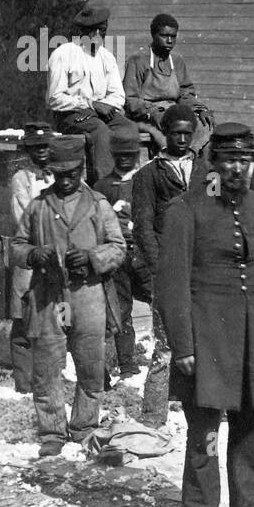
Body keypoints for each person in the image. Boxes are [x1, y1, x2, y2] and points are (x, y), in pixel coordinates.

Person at [156, 123, 254, 507]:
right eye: (229, 160)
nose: (237, 168)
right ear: (212, 163)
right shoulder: (186, 210)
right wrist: (183, 345)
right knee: (205, 432)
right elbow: (171, 285)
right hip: (208, 339)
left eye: (244, 160)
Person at [10, 137, 125, 456]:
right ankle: (51, 432)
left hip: (87, 298)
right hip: (51, 298)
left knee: (91, 366)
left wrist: (92, 257)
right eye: (58, 174)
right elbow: (16, 247)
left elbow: (119, 247)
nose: (65, 180)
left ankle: (85, 426)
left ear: (81, 169)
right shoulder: (38, 206)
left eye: (71, 174)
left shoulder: (98, 204)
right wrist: (34, 254)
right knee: (47, 365)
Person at [132, 103, 209, 427]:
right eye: (175, 133)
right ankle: (153, 415)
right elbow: (143, 226)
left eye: (186, 134)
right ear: (165, 134)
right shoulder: (149, 174)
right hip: (168, 270)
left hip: (203, 269)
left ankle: (207, 406)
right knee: (165, 345)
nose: (181, 139)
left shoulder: (207, 172)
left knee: (205, 338)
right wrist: (157, 267)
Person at [46, 5, 134, 184]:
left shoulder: (107, 58)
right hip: (71, 116)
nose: (98, 36)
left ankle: (126, 184)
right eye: (93, 32)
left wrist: (105, 106)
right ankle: (104, 187)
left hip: (101, 113)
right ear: (82, 32)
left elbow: (118, 95)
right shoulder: (63, 54)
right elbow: (55, 99)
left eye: (102, 32)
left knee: (128, 128)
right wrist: (91, 104)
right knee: (101, 132)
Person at [92, 124, 146, 380]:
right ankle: (126, 364)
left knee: (160, 301)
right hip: (118, 255)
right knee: (121, 307)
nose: (125, 160)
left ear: (137, 155)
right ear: (113, 156)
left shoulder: (145, 181)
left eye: (130, 155)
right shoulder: (102, 186)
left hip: (144, 252)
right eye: (120, 155)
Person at [7, 123, 55, 394]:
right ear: (29, 151)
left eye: (46, 147)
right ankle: (24, 384)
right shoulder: (21, 179)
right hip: (30, 254)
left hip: (55, 257)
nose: (42, 153)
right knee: (24, 318)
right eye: (37, 148)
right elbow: (24, 217)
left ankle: (50, 376)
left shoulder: (59, 175)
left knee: (56, 316)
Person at [122, 13, 213, 155]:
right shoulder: (138, 60)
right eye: (164, 36)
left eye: (173, 36)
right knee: (172, 134)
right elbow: (130, 99)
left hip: (174, 111)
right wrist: (153, 112)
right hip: (146, 116)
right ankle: (173, 164)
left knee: (204, 124)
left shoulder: (177, 61)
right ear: (153, 35)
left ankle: (192, 164)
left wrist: (199, 109)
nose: (169, 40)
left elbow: (185, 93)